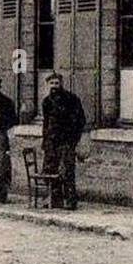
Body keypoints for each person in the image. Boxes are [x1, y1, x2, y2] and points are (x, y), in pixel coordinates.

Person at [41, 73, 86, 209]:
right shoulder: (46, 102)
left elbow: (80, 121)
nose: (54, 86)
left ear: (61, 84)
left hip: (66, 142)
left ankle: (70, 201)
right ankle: (55, 200)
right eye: (51, 83)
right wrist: (45, 140)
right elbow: (46, 122)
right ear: (48, 85)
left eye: (56, 83)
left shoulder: (71, 99)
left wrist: (73, 139)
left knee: (67, 171)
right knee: (50, 171)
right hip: (51, 142)